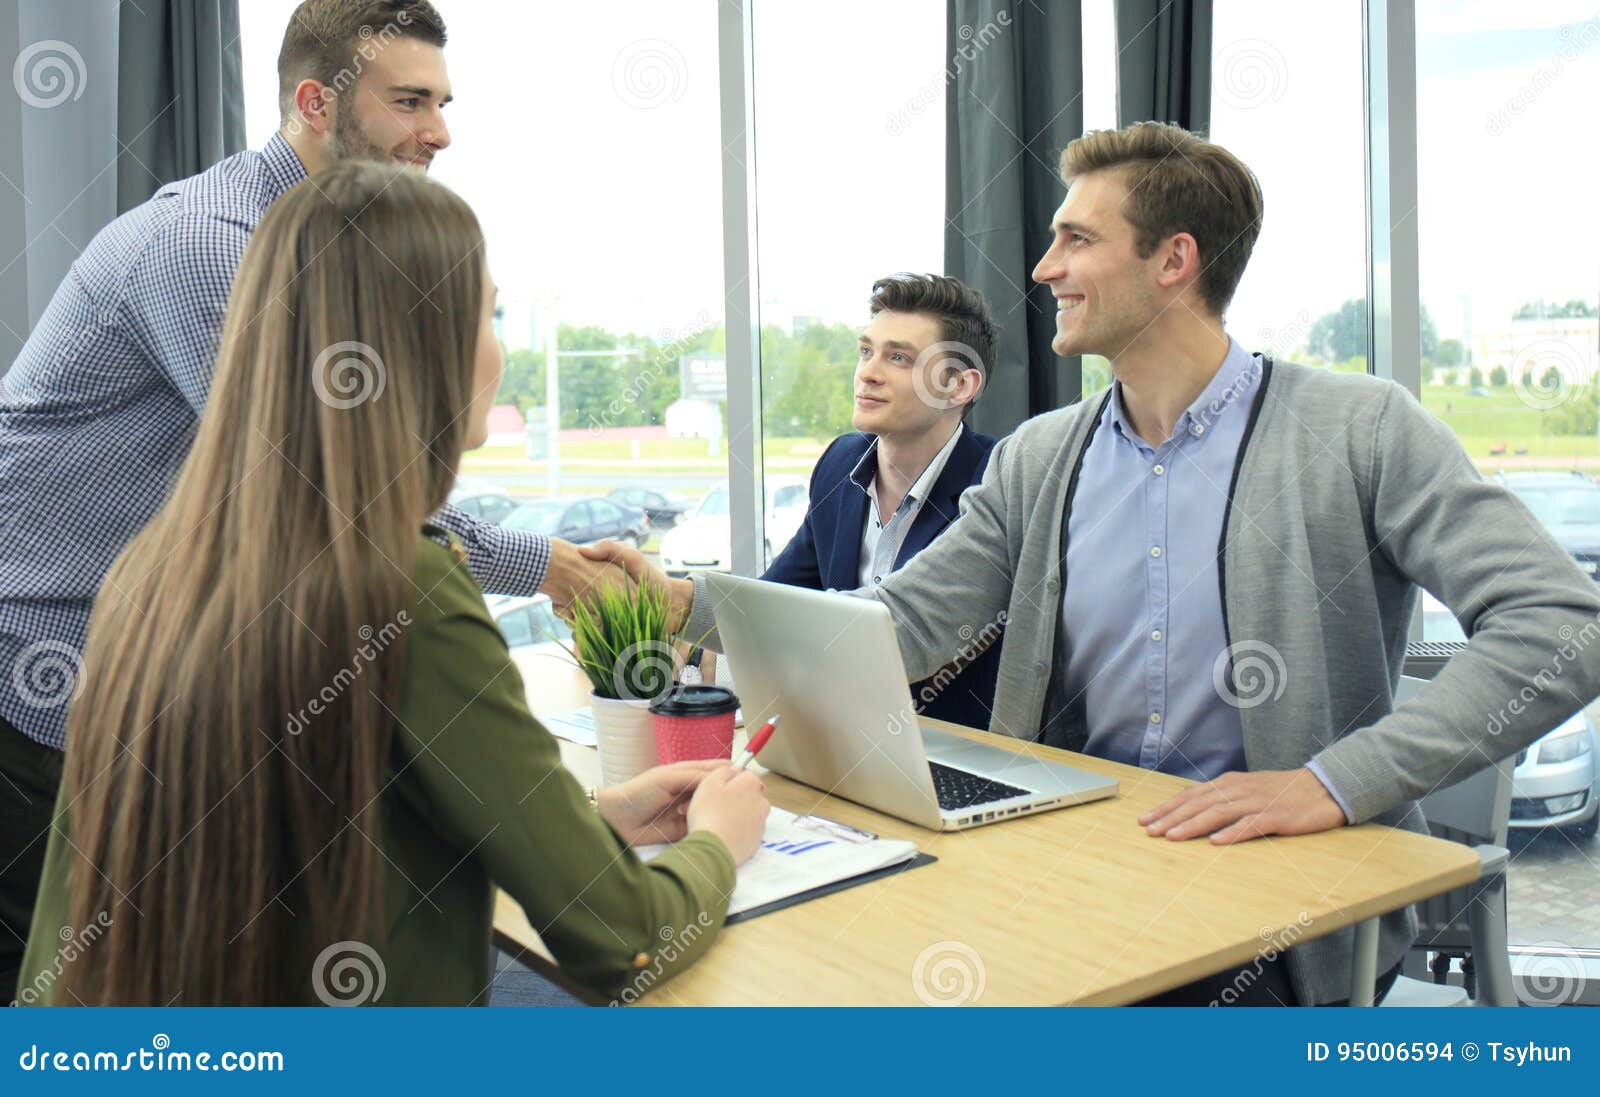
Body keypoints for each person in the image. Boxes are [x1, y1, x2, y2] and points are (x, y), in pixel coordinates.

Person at [590, 121, 1600, 1006]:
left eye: (1074, 239)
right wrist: (683, 603)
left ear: (1172, 261)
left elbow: (1563, 627)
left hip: (1278, 901)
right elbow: (900, 624)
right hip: (1074, 865)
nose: (1043, 268)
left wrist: (1333, 779)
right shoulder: (1041, 454)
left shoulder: (1360, 428)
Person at [15, 162, 769, 1007]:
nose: (500, 346)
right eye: (489, 313)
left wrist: (589, 821)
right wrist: (716, 843)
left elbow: (324, 835)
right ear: (425, 342)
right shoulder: (404, 585)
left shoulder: (149, 571)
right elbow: (626, 942)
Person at [0, 0, 616, 999]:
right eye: (409, 100)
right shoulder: (219, 244)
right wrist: (547, 565)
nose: (441, 132)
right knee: (74, 987)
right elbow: (334, 486)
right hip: (39, 666)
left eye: (445, 102)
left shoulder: (327, 247)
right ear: (313, 102)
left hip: (134, 652)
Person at [714, 273, 1001, 728]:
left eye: (899, 358)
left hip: (953, 753)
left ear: (959, 386)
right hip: (837, 734)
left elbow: (898, 634)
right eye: (866, 351)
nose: (867, 372)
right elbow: (775, 600)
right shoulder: (840, 463)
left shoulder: (995, 484)